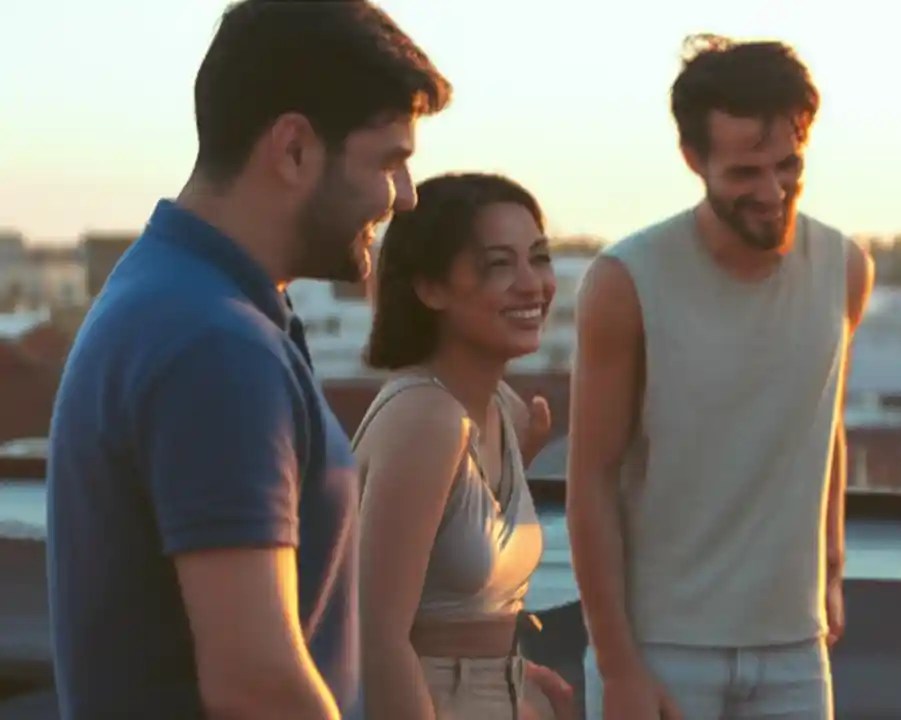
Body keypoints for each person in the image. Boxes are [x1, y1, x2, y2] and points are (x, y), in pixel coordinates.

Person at [44, 2, 450, 717]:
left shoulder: (186, 301)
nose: (405, 197)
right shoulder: (213, 344)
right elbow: (258, 686)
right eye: (389, 161)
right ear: (293, 148)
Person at [567, 33, 874, 720]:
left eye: (787, 165)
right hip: (660, 647)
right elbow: (591, 477)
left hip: (796, 651)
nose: (772, 192)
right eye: (744, 174)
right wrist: (617, 667)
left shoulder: (845, 268)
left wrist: (831, 570)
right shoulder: (625, 281)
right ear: (692, 160)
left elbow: (824, 427)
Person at [353, 173, 575, 720]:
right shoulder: (424, 420)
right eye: (499, 265)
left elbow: (477, 602)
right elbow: (378, 642)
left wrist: (515, 678)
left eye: (539, 258)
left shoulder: (504, 409)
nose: (533, 285)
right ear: (430, 288)